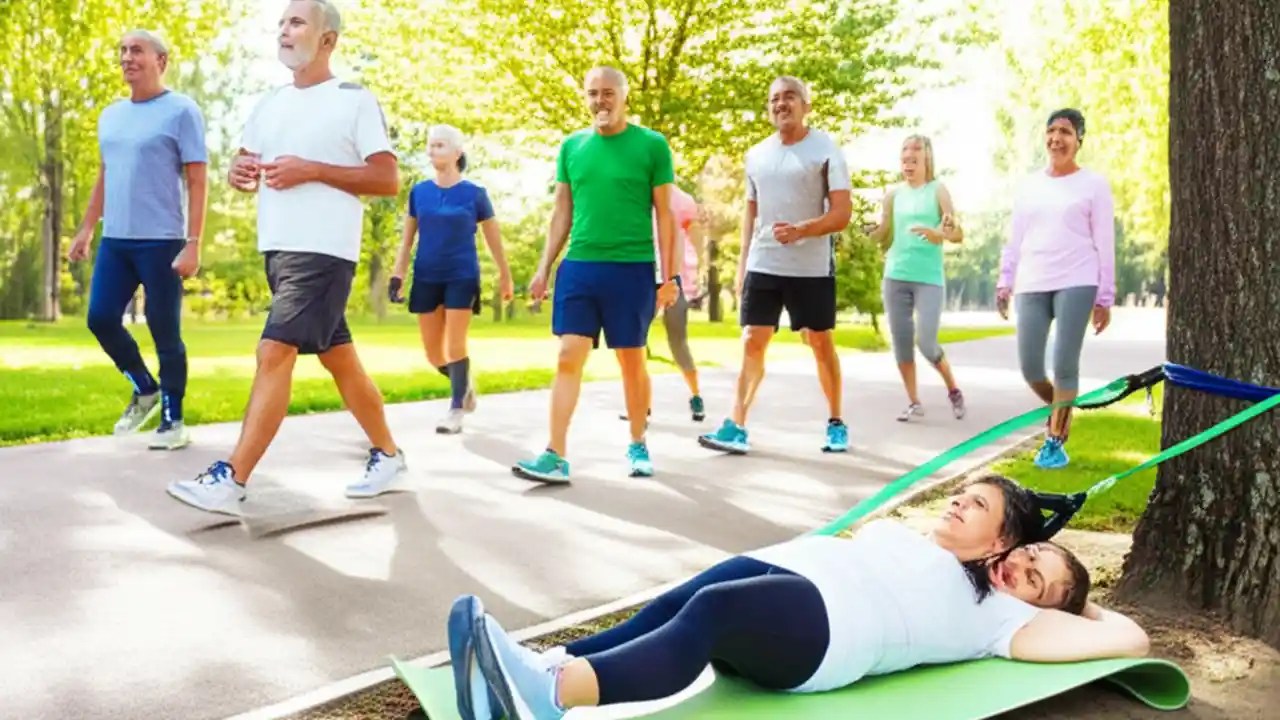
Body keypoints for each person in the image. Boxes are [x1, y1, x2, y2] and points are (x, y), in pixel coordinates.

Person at [448, 475, 1147, 720]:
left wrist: (1073, 602)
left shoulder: (1004, 619)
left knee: (714, 613)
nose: (1022, 567)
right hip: (799, 581)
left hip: (830, 634)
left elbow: (1131, 639)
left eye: (1035, 573)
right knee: (685, 597)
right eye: (965, 496)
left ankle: (551, 698)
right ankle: (543, 663)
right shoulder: (932, 550)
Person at [167, 0, 406, 514]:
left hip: (324, 250)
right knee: (341, 360)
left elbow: (387, 179)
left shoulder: (353, 100)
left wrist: (313, 170)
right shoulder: (269, 103)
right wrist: (238, 173)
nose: (283, 30)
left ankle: (232, 479)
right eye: (281, 23)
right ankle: (388, 455)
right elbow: (245, 161)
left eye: (297, 22)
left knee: (273, 352)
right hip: (278, 249)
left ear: (327, 40)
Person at [511, 66, 678, 483]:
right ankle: (555, 454)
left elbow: (666, 215)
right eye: (592, 93)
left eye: (607, 93)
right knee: (568, 355)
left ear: (623, 96)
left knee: (631, 360)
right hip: (580, 265)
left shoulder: (652, 145)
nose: (599, 101)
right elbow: (561, 212)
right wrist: (543, 267)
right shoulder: (572, 147)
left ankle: (637, 441)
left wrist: (670, 276)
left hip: (632, 268)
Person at [67, 29, 208, 450]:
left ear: (161, 61)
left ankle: (173, 420)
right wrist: (87, 228)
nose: (127, 57)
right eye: (123, 50)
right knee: (100, 318)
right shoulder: (111, 115)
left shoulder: (181, 111)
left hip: (162, 240)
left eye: (137, 50)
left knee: (165, 331)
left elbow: (198, 180)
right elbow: (106, 174)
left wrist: (194, 242)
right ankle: (144, 387)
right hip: (116, 240)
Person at [699, 77, 853, 456]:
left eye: (789, 97)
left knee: (819, 342)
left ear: (806, 106)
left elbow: (842, 214)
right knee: (753, 339)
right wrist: (743, 265)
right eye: (774, 99)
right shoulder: (757, 155)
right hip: (764, 261)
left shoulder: (826, 150)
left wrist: (802, 230)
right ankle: (736, 425)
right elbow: (750, 212)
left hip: (811, 267)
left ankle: (836, 421)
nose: (781, 104)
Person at [997, 109, 1116, 469]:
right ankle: (1061, 412)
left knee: (1065, 364)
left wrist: (1104, 297)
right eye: (1051, 131)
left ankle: (1054, 442)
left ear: (1079, 140)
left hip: (1078, 279)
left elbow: (1105, 241)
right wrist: (1005, 281)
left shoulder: (1093, 185)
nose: (1056, 138)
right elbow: (1014, 238)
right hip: (1033, 281)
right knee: (1031, 367)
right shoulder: (1029, 186)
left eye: (1065, 131)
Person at [389, 124, 513, 434]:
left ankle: (456, 409)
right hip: (426, 275)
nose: (432, 151)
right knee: (434, 354)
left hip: (461, 274)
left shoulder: (475, 194)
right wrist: (397, 273)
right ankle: (464, 384)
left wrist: (505, 274)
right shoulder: (419, 192)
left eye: (440, 145)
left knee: (455, 344)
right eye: (430, 146)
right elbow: (407, 240)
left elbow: (493, 238)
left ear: (457, 153)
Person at [867, 135, 966, 423]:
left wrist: (940, 233)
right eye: (904, 160)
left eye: (914, 160)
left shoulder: (938, 190)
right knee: (901, 343)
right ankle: (914, 402)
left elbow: (957, 234)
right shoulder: (893, 195)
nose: (908, 165)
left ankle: (953, 390)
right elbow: (884, 233)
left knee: (926, 342)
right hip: (895, 275)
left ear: (926, 161)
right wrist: (868, 232)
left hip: (928, 279)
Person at [622, 184, 706, 424]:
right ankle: (642, 404)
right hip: (642, 274)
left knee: (678, 342)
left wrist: (696, 271)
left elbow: (693, 237)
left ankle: (696, 395)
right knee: (636, 342)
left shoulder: (681, 199)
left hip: (674, 277)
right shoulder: (635, 192)